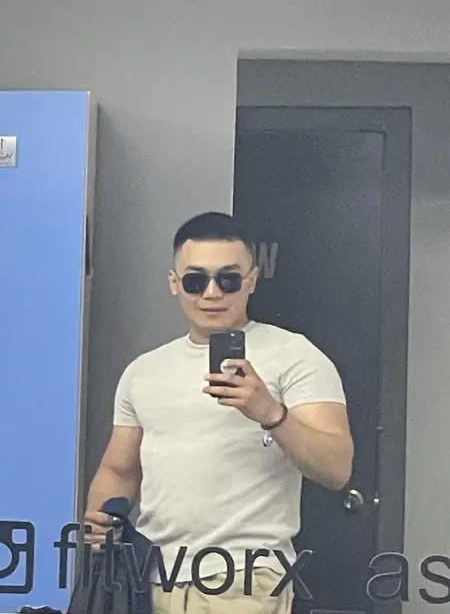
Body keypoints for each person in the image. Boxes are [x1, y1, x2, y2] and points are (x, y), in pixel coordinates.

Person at [84, 211, 354, 614]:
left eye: (228, 279)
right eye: (195, 281)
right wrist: (102, 519)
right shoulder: (143, 371)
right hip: (149, 578)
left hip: (246, 578)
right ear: (174, 283)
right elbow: (119, 470)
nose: (211, 293)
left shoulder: (294, 356)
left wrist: (271, 413)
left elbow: (336, 468)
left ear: (252, 280)